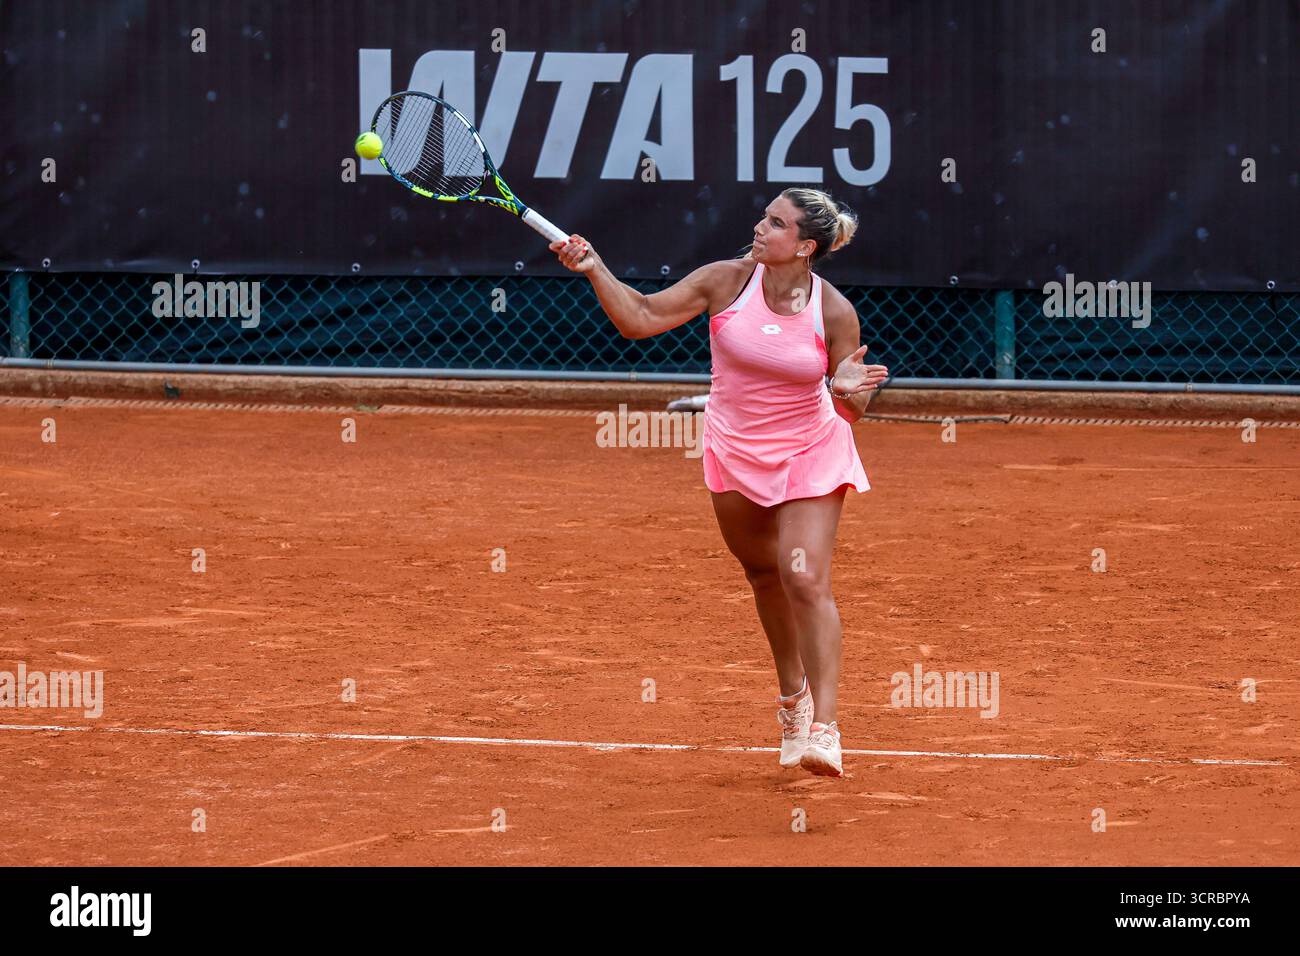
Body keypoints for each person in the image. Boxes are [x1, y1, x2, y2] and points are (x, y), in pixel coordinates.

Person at [550, 187, 888, 776]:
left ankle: (826, 729)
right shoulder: (725, 281)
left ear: (805, 247)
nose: (760, 228)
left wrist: (850, 393)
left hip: (811, 450)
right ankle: (793, 701)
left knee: (802, 574)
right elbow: (642, 318)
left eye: (776, 224)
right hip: (734, 449)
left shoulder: (832, 311)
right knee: (763, 575)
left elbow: (849, 408)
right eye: (764, 216)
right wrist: (595, 268)